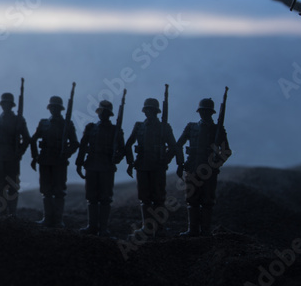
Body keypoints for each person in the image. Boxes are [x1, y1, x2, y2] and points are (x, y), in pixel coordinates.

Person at [174, 98, 231, 236]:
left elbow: (226, 151)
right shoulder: (191, 127)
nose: (204, 114)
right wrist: (180, 163)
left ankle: (205, 231)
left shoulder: (217, 129)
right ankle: (192, 230)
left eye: (206, 111)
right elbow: (178, 144)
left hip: (209, 170)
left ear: (211, 113)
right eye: (202, 111)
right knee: (192, 200)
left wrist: (216, 163)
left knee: (207, 201)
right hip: (192, 168)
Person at [124, 98, 176, 238]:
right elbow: (128, 144)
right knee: (144, 198)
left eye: (151, 110)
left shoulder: (164, 127)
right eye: (147, 110)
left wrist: (165, 160)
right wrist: (130, 162)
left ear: (156, 111)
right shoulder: (139, 126)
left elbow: (173, 147)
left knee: (159, 198)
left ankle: (159, 229)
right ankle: (146, 228)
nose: (149, 112)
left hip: (158, 167)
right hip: (142, 166)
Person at [74, 99, 125, 236]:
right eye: (102, 112)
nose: (103, 115)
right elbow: (83, 146)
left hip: (107, 166)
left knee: (105, 198)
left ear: (110, 115)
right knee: (91, 197)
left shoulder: (115, 130)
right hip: (91, 164)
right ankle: (92, 226)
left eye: (106, 113)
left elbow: (122, 149)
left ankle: (103, 228)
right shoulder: (91, 128)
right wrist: (79, 163)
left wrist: (116, 158)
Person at [29, 96, 79, 227]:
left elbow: (74, 143)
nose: (54, 110)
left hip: (59, 161)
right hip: (45, 159)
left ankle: (58, 220)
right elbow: (33, 139)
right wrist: (35, 157)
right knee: (46, 191)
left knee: (59, 191)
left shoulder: (67, 124)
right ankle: (47, 218)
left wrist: (66, 153)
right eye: (52, 107)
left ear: (60, 109)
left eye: (56, 108)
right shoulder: (43, 123)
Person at [0, 92, 30, 217]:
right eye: (4, 103)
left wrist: (19, 152)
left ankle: (12, 213)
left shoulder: (18, 120)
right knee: (0, 185)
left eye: (8, 104)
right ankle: (2, 213)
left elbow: (26, 138)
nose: (6, 106)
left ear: (12, 105)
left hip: (12, 156)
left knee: (13, 185)